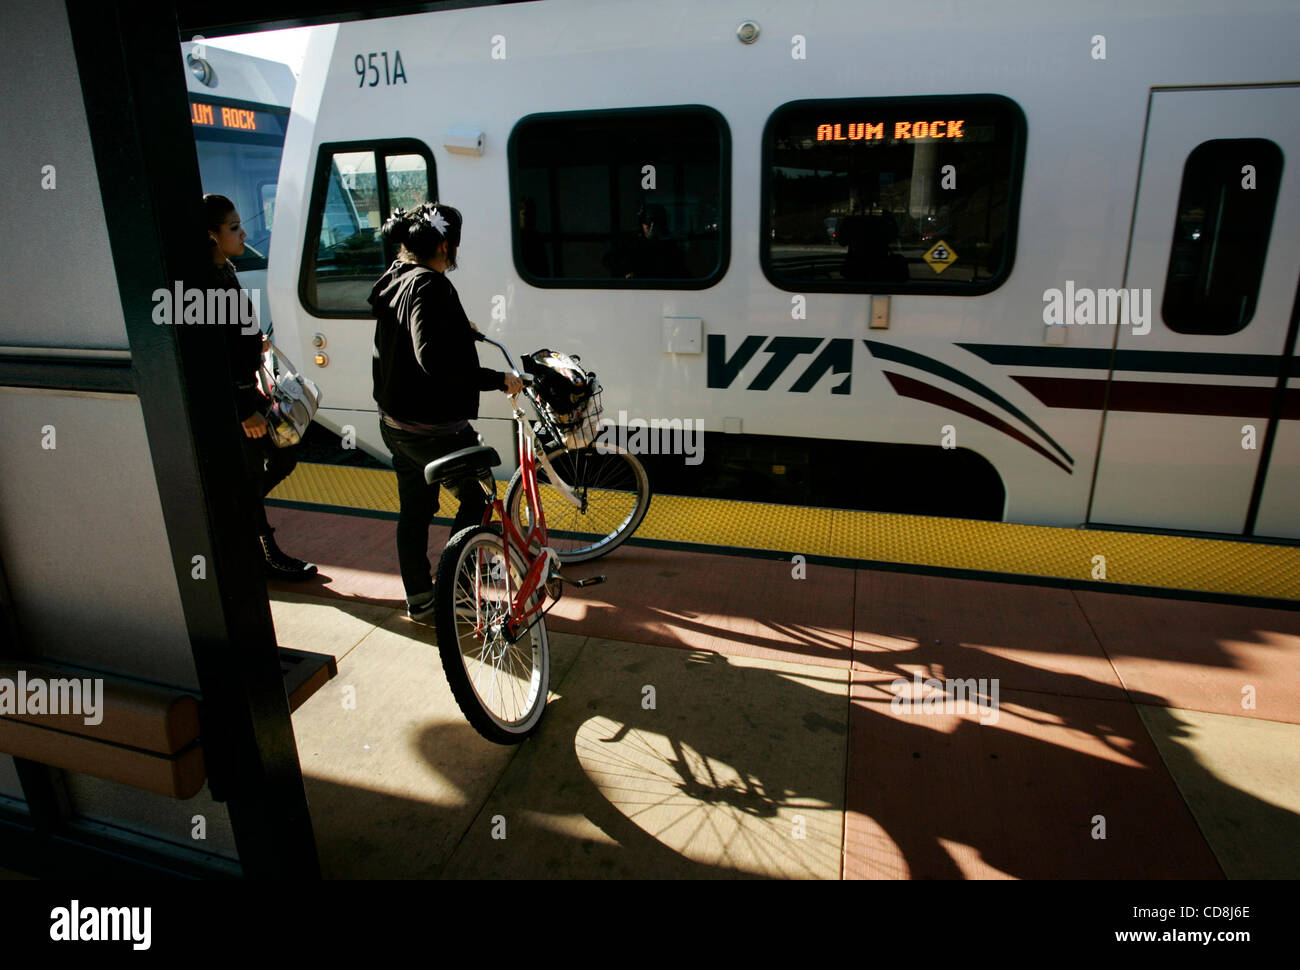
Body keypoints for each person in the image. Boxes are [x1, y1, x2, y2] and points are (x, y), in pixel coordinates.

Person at [369, 202, 523, 621]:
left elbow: (412, 334)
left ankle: (420, 598)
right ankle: (456, 589)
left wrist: (460, 330)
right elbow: (433, 359)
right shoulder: (430, 286)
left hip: (394, 421)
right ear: (442, 244)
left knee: (415, 509)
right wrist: (496, 378)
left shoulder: (398, 275)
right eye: (455, 244)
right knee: (477, 499)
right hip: (432, 427)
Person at [204, 193, 317, 581]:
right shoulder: (208, 281)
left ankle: (239, 519)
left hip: (248, 393)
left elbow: (235, 336)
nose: (244, 232)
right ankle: (265, 552)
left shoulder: (226, 271)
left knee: (283, 457)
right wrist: (244, 409)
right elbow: (216, 353)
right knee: (258, 470)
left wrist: (256, 341)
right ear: (212, 235)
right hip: (239, 402)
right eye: (233, 227)